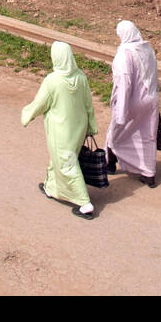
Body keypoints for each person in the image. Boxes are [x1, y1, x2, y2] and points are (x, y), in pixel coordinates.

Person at [21, 41, 98, 218]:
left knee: (66, 164)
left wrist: (27, 115)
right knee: (61, 158)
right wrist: (91, 126)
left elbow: (40, 104)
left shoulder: (52, 81)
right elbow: (89, 104)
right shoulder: (80, 77)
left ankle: (84, 203)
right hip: (79, 127)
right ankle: (51, 187)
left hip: (60, 130)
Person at [105, 20, 160, 187]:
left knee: (114, 134)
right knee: (148, 136)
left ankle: (109, 163)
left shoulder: (124, 54)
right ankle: (149, 173)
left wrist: (120, 111)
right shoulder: (147, 49)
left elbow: (124, 83)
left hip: (132, 101)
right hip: (151, 99)